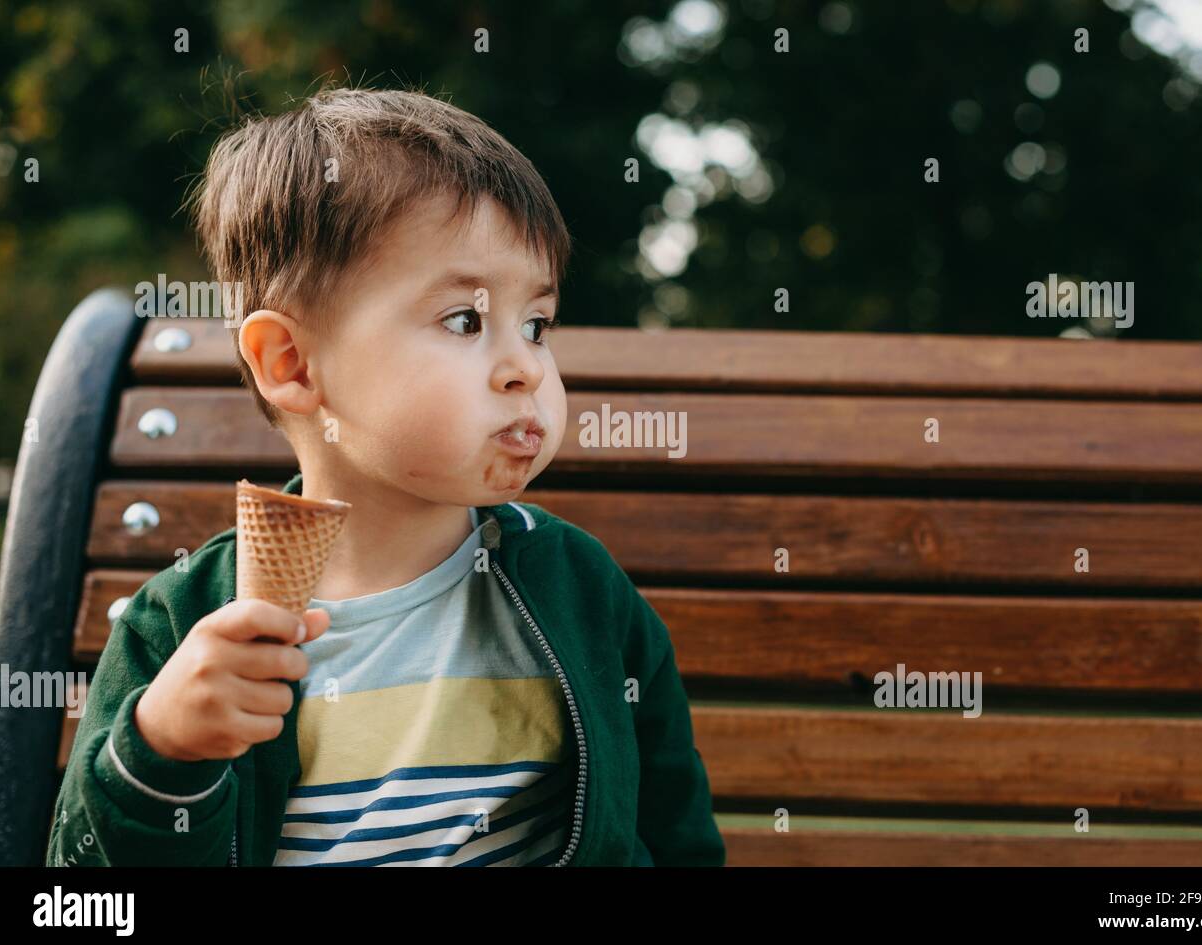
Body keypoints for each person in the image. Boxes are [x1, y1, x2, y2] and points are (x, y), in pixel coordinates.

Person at [46, 85, 724, 867]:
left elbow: (676, 835)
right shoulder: (181, 629)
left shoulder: (582, 590)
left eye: (537, 325)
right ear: (293, 363)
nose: (524, 369)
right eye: (465, 321)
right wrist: (162, 753)